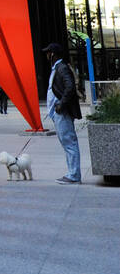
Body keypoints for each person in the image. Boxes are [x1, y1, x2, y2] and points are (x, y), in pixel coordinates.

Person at [43, 42, 81, 184]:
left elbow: (70, 87)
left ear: (52, 53)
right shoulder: (57, 68)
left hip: (62, 112)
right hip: (57, 112)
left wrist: (61, 104)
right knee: (66, 142)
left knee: (69, 142)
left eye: (48, 52)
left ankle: (74, 175)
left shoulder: (62, 68)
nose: (46, 55)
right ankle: (72, 173)